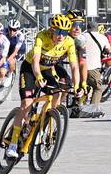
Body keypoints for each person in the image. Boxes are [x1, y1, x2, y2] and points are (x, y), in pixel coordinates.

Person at [6, 13, 79, 161]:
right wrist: (38, 76)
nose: (61, 36)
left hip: (48, 69)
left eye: (64, 32)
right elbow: (35, 60)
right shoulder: (42, 36)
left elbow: (75, 67)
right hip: (31, 68)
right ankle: (13, 143)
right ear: (52, 30)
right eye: (58, 32)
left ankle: (45, 125)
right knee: (27, 103)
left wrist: (77, 86)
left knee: (58, 93)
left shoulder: (69, 42)